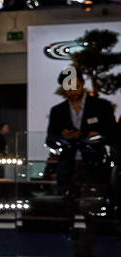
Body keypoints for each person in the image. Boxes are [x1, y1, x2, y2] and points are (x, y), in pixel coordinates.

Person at [47, 68, 116, 196]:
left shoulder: (101, 106)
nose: (72, 91)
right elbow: (50, 138)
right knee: (67, 203)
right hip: (68, 165)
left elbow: (113, 133)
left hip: (95, 164)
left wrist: (98, 135)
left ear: (83, 83)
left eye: (75, 86)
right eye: (68, 87)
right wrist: (63, 137)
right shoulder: (57, 111)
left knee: (94, 200)